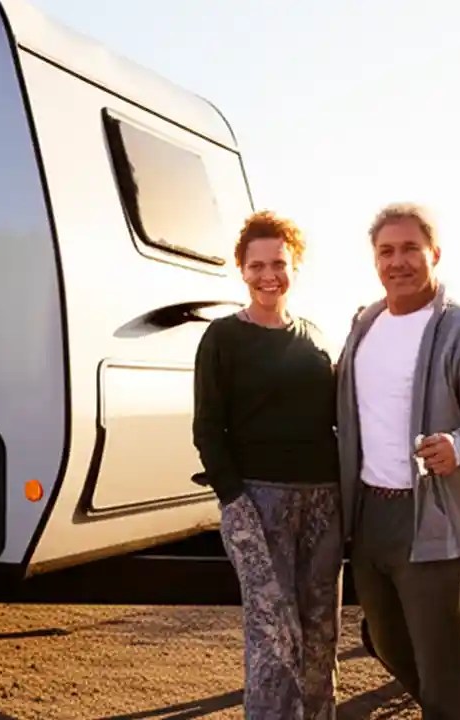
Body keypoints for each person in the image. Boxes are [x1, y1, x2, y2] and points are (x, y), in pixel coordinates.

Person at [335, 202, 460, 720]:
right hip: (371, 517)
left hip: (434, 519)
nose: (399, 261)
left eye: (410, 248)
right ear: (375, 261)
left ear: (433, 253)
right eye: (386, 251)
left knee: (442, 673)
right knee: (389, 647)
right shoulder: (364, 324)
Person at [192, 210, 343, 719]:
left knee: (321, 630)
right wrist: (234, 502)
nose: (268, 275)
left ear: (294, 267)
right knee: (274, 639)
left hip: (323, 501)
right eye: (256, 265)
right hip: (257, 500)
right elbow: (208, 428)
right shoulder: (222, 338)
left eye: (278, 263)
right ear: (241, 269)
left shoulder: (316, 338)